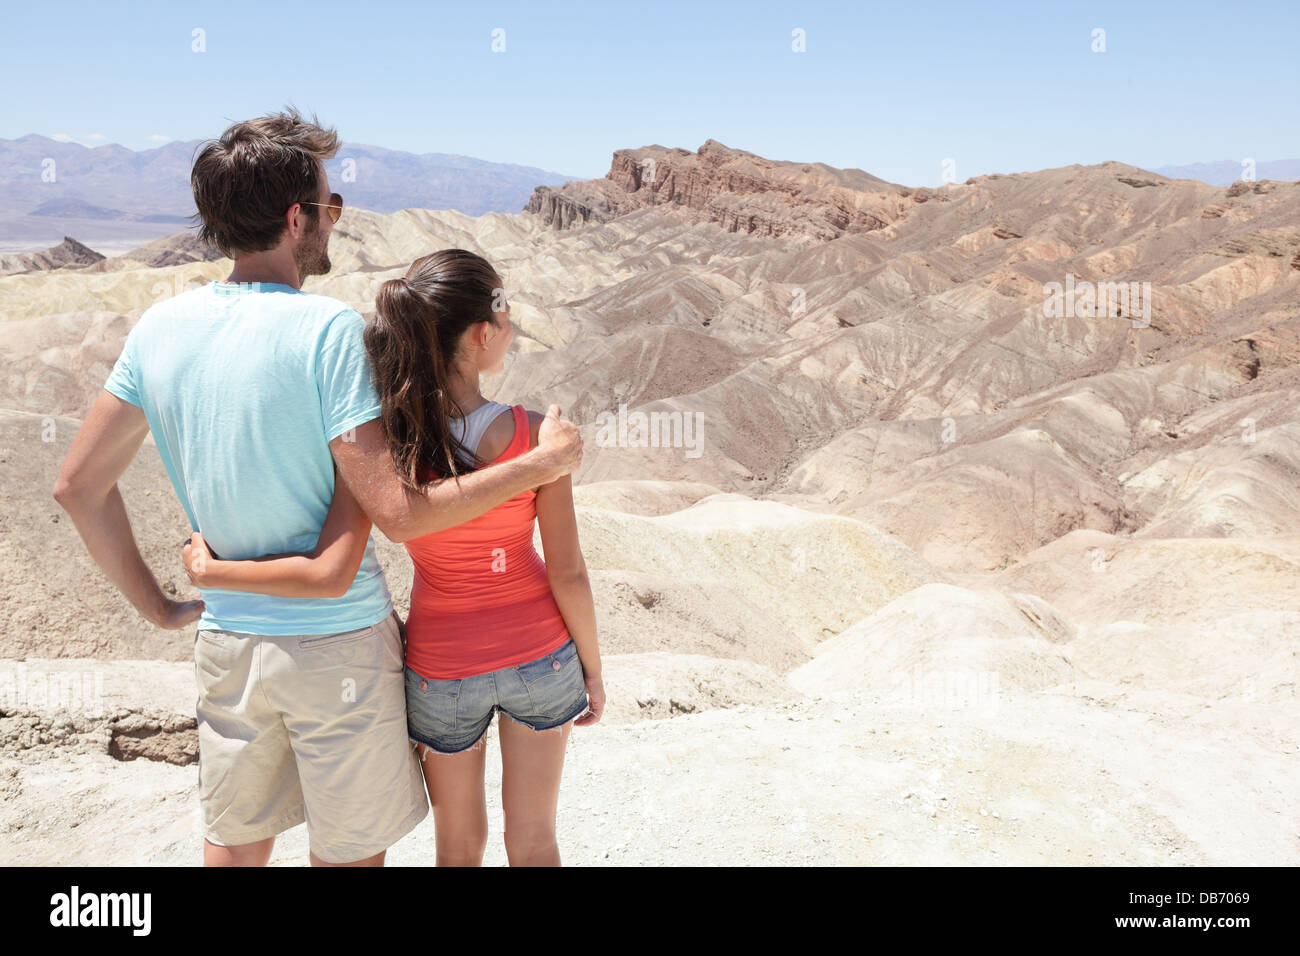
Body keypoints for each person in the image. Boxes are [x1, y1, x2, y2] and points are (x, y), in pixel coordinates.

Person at [52, 110, 583, 867]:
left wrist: (164, 607)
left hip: (228, 639)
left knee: (234, 847)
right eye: (329, 206)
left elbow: (76, 486)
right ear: (298, 217)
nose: (334, 222)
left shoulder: (157, 329)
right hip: (337, 646)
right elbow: (398, 515)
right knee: (349, 852)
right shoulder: (328, 332)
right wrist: (537, 466)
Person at [182, 248, 605, 867]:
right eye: (507, 318)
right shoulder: (538, 437)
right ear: (482, 334)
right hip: (539, 655)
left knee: (458, 843)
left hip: (442, 668)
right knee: (535, 837)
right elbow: (567, 571)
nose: (511, 330)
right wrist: (591, 669)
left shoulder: (392, 444)